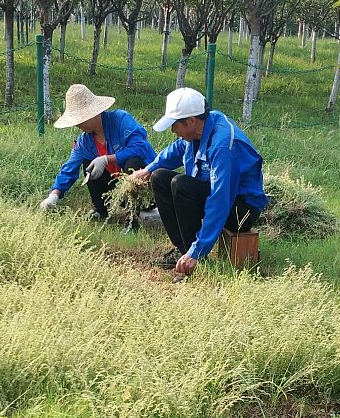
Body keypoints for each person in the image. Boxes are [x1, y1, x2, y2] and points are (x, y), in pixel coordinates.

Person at [130, 87, 268, 276]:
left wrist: (198, 250)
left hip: (241, 209)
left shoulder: (222, 146)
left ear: (191, 121)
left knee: (181, 185)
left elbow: (220, 200)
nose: (172, 130)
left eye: (175, 125)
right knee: (159, 177)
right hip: (221, 196)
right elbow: (177, 149)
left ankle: (194, 259)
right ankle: (182, 251)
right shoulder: (201, 128)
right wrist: (148, 169)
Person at [39, 84, 155, 222]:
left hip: (146, 188)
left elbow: (141, 148)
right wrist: (54, 194)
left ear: (93, 114)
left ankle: (132, 219)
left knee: (133, 162)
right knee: (89, 164)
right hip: (117, 190)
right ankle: (100, 210)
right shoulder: (85, 141)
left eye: (80, 119)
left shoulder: (121, 120)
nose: (78, 125)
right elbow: (69, 167)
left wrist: (107, 159)